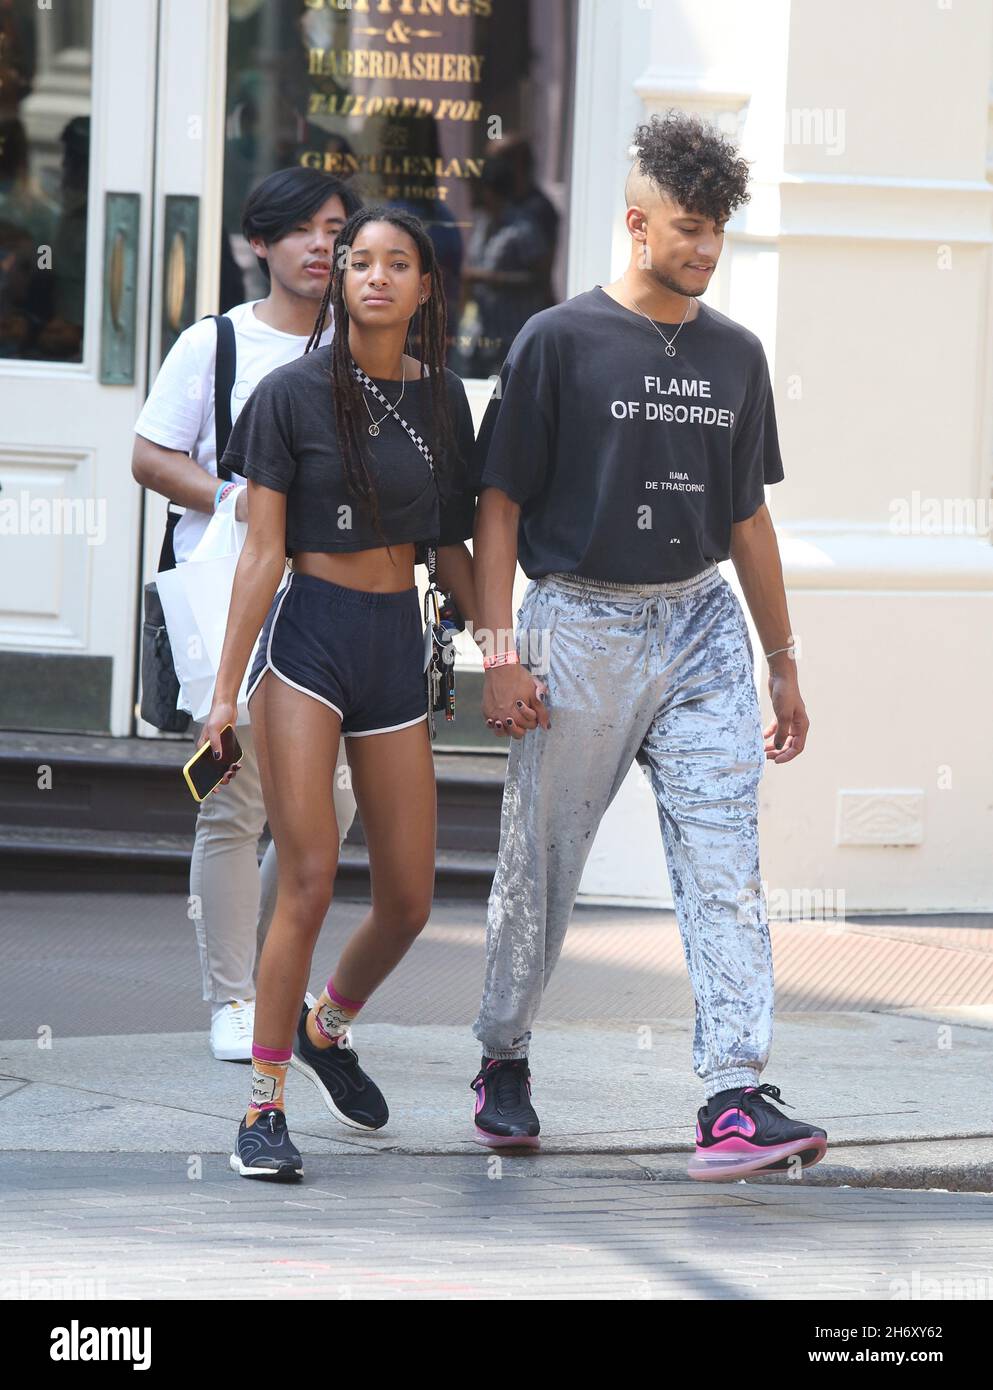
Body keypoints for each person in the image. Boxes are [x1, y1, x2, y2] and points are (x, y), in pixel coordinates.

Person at [468, 110, 828, 1181]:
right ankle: (503, 1054)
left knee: (725, 866)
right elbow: (497, 506)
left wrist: (784, 659)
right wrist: (498, 653)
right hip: (578, 620)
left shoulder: (735, 355)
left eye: (719, 230)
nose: (707, 249)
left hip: (703, 621)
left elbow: (748, 518)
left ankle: (732, 1092)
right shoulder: (557, 342)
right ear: (636, 223)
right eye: (688, 228)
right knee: (543, 868)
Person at [197, 205, 479, 1182]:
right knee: (310, 874)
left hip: (395, 645)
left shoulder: (445, 401)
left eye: (398, 263)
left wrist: (509, 650)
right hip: (309, 642)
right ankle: (263, 1106)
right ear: (340, 277)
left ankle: (327, 1025)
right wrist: (225, 695)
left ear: (424, 286)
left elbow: (452, 547)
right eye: (359, 260)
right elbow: (260, 552)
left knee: (408, 896)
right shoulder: (291, 395)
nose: (374, 276)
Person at [132, 167, 362, 1062]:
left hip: (336, 599)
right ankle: (234, 998)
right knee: (236, 801)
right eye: (299, 229)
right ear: (259, 245)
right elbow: (150, 456)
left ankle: (274, 966)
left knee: (333, 804)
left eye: (335, 228)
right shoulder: (215, 344)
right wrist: (233, 495)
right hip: (227, 592)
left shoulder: (363, 342)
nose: (320, 246)